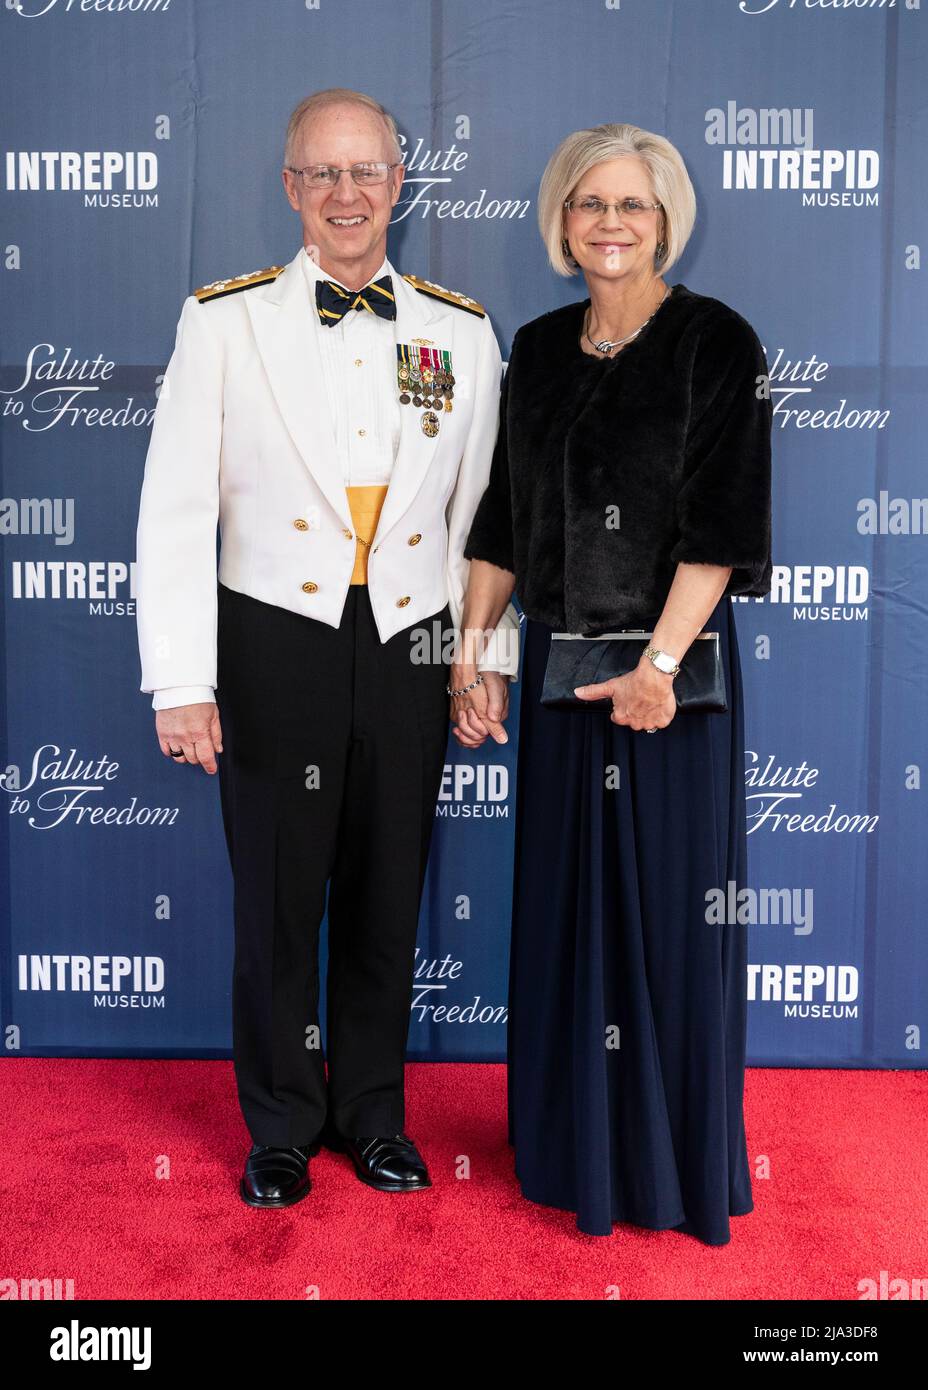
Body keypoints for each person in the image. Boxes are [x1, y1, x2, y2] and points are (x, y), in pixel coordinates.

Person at [134, 88, 519, 1209]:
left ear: (399, 183)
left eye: (367, 172)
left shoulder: (459, 328)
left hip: (407, 639)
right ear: (291, 185)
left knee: (387, 886)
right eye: (323, 173)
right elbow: (172, 511)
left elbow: (479, 519)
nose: (346, 194)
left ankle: (372, 1111)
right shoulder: (224, 319)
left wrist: (478, 657)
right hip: (269, 638)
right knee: (277, 893)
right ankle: (282, 1124)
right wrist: (181, 679)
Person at [455, 123, 773, 1244]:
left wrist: (660, 668)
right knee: (564, 915)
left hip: (668, 684)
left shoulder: (714, 340)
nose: (610, 223)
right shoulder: (537, 349)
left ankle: (664, 1163)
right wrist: (475, 650)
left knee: (667, 921)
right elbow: (502, 515)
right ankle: (566, 1145)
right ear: (560, 219)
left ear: (665, 220)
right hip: (555, 673)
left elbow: (723, 524)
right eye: (590, 203)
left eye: (632, 205)